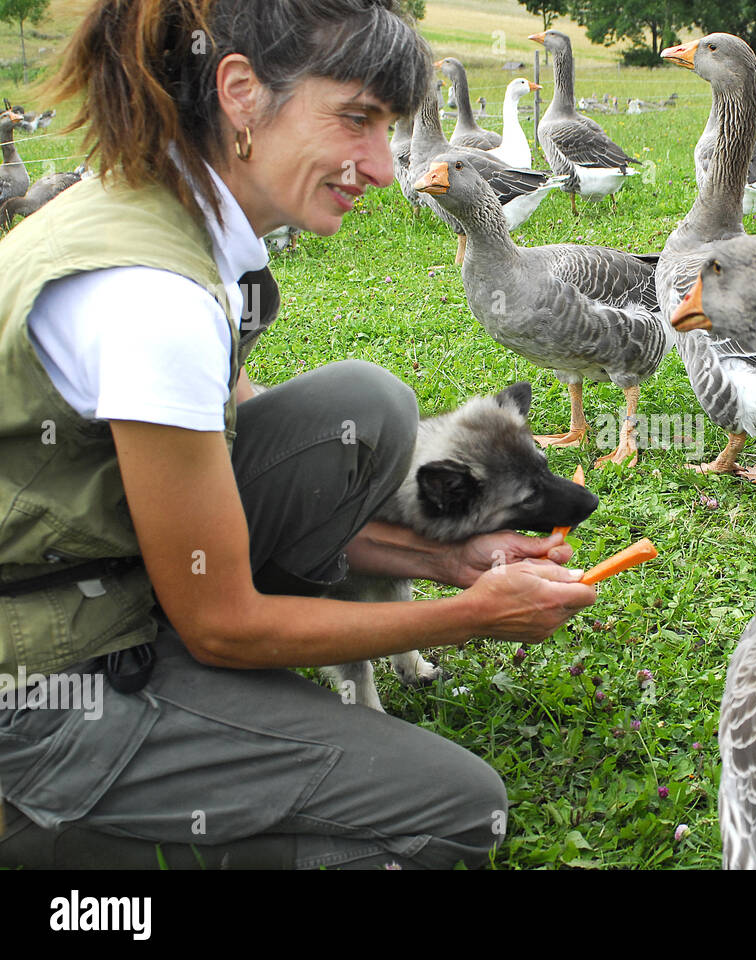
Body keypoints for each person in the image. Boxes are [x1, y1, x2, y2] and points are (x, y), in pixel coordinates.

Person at [0, 0, 596, 869]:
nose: (381, 166)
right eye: (356, 119)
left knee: (361, 409)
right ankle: (60, 832)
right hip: (44, 677)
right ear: (241, 93)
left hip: (105, 586)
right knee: (456, 814)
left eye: (388, 127)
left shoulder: (161, 209)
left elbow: (224, 489)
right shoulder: (152, 299)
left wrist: (444, 562)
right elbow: (222, 624)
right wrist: (464, 618)